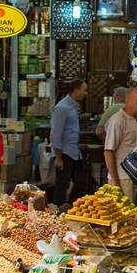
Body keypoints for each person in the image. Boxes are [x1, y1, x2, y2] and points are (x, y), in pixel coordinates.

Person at [49, 79, 87, 207]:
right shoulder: (62, 108)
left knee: (81, 182)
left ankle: (71, 208)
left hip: (73, 152)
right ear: (76, 90)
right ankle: (56, 211)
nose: (85, 93)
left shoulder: (73, 106)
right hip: (64, 153)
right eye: (84, 90)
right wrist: (58, 157)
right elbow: (55, 134)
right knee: (62, 184)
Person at [103, 87, 137, 201]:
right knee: (123, 214)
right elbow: (108, 151)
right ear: (128, 101)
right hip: (122, 177)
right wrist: (115, 180)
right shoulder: (117, 120)